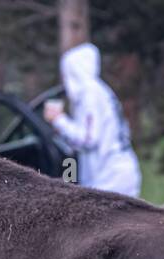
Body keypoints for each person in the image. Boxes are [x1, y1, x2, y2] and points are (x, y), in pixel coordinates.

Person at [44, 42, 141, 197]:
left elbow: (88, 139)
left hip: (111, 177)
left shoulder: (90, 95)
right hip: (114, 172)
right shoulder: (100, 90)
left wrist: (59, 119)